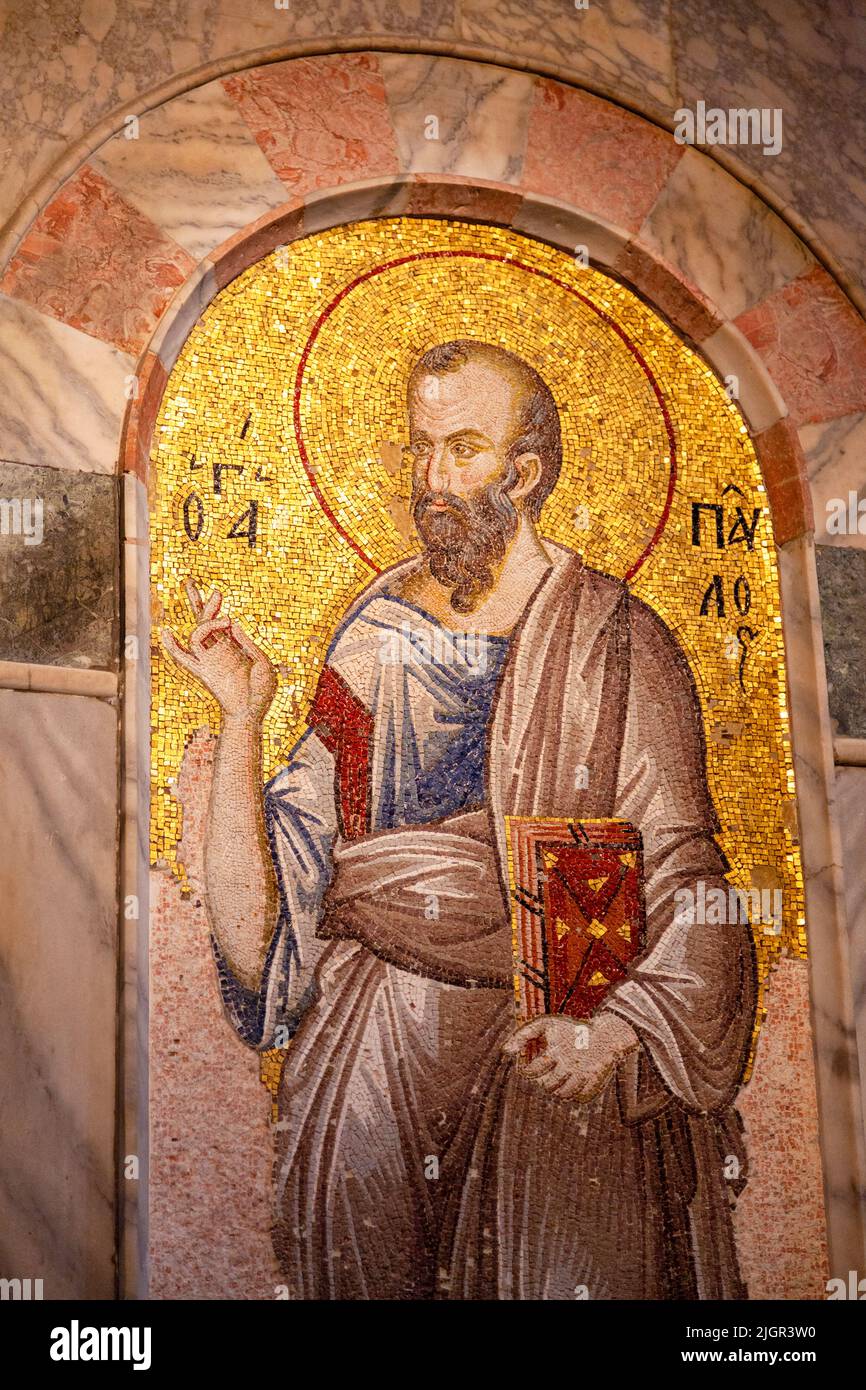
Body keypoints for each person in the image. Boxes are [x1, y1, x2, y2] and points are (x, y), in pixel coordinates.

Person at [163, 339, 757, 1300]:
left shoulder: (616, 642)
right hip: (373, 1046)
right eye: (420, 449)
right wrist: (241, 718)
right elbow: (282, 909)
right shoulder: (374, 636)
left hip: (549, 1054)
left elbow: (689, 883)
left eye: (464, 449)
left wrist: (616, 1032)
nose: (433, 480)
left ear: (524, 473)